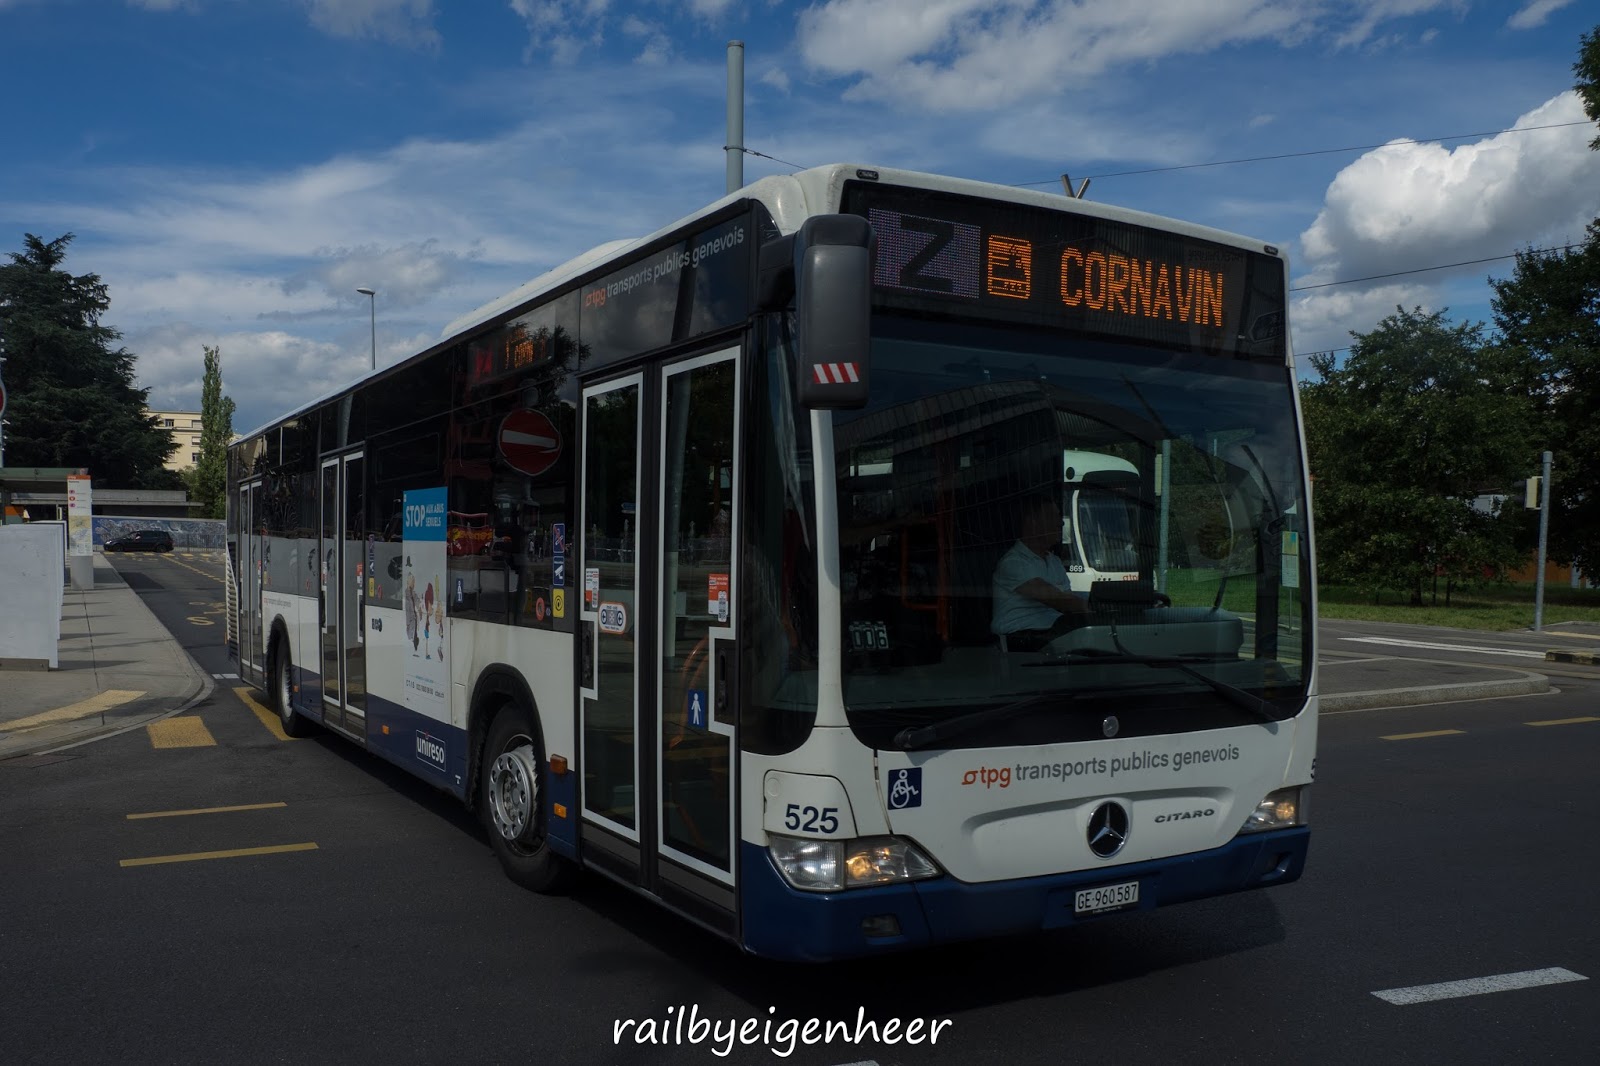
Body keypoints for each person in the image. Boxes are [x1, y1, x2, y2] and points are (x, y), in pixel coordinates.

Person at [991, 492, 1089, 651]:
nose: (1060, 523)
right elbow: (1058, 600)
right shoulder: (1013, 563)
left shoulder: (1055, 561)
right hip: (1021, 640)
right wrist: (1095, 608)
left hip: (1053, 634)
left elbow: (1068, 600)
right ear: (1032, 522)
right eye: (1052, 517)